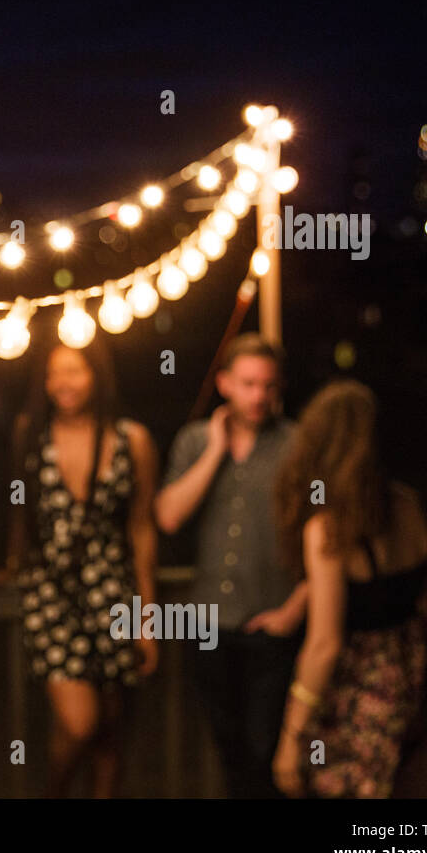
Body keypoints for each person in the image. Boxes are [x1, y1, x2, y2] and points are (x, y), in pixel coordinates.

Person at [271, 380, 427, 798]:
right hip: (410, 685)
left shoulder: (329, 528)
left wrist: (290, 740)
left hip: (355, 701)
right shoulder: (407, 503)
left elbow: (324, 645)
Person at [154, 333, 305, 797]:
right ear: (224, 384)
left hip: (272, 623)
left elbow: (330, 540)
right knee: (230, 751)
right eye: (248, 383)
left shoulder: (297, 444)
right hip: (208, 624)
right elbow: (168, 516)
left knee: (268, 755)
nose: (258, 395)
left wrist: (295, 609)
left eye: (268, 385)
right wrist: (216, 450)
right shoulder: (195, 440)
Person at [8, 339, 159, 798]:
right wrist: (10, 567)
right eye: (54, 374)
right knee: (79, 723)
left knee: (110, 731)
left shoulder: (132, 440)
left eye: (74, 371)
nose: (63, 384)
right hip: (49, 591)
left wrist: (146, 619)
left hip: (112, 590)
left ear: (97, 375)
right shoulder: (29, 432)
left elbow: (142, 529)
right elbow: (19, 513)